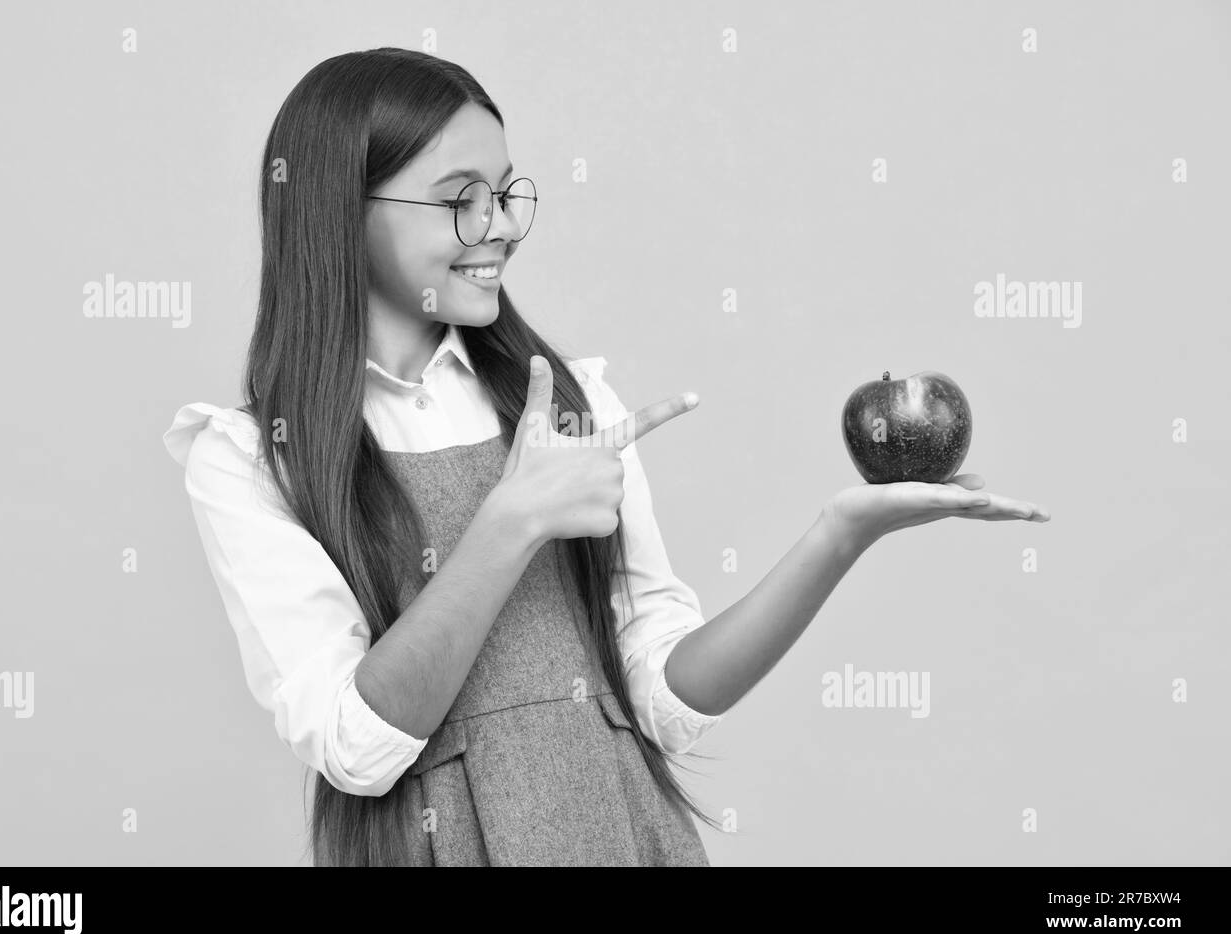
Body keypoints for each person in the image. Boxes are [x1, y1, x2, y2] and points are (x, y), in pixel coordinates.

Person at [162, 48, 1049, 867]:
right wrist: (511, 521)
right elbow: (357, 746)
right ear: (338, 211)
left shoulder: (573, 407)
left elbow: (665, 699)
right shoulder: (246, 458)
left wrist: (839, 536)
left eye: (508, 193)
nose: (502, 226)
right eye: (460, 197)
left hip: (621, 833)